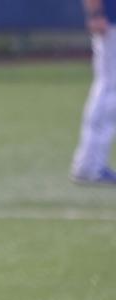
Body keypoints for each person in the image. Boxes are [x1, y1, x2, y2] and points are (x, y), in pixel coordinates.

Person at [71, 0, 116, 185]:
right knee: (109, 89)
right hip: (111, 24)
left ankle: (90, 165)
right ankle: (89, 165)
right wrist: (95, 15)